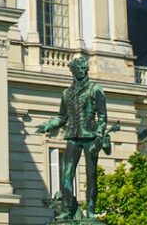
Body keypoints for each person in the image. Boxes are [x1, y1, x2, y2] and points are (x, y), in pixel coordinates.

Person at [38, 55, 108, 216]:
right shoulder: (66, 93)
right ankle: (67, 210)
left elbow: (103, 117)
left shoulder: (95, 89)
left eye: (84, 68)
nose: (83, 71)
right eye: (80, 68)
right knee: (67, 172)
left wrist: (99, 135)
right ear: (74, 71)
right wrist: (49, 125)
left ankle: (91, 210)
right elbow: (62, 117)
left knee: (91, 175)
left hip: (90, 136)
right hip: (73, 136)